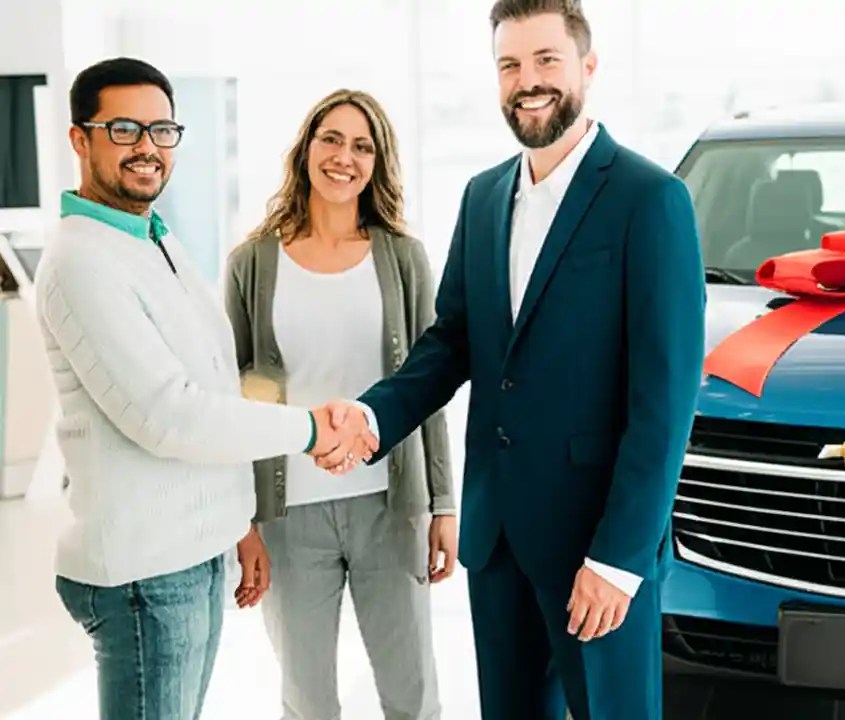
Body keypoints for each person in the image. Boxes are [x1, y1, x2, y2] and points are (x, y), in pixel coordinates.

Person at [317, 1, 706, 717]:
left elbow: (666, 400)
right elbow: (452, 342)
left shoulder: (651, 200)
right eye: (510, 65)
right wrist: (373, 419)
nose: (528, 81)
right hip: (497, 543)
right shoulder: (484, 196)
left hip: (596, 549)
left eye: (546, 60)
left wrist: (620, 557)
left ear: (588, 67)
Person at [33, 57, 374, 720]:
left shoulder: (151, 239)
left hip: (189, 557)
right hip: (144, 573)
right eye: (125, 129)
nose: (147, 147)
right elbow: (170, 415)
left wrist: (237, 522)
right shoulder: (81, 261)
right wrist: (311, 428)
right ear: (80, 139)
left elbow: (215, 384)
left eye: (162, 131)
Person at [223, 88, 457, 720]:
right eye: (331, 139)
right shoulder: (251, 263)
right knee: (308, 703)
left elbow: (429, 388)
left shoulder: (402, 257)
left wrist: (442, 504)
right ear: (306, 148)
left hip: (390, 507)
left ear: (378, 163)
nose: (343, 157)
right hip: (288, 517)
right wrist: (243, 522)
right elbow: (234, 403)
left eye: (362, 146)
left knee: (413, 697)